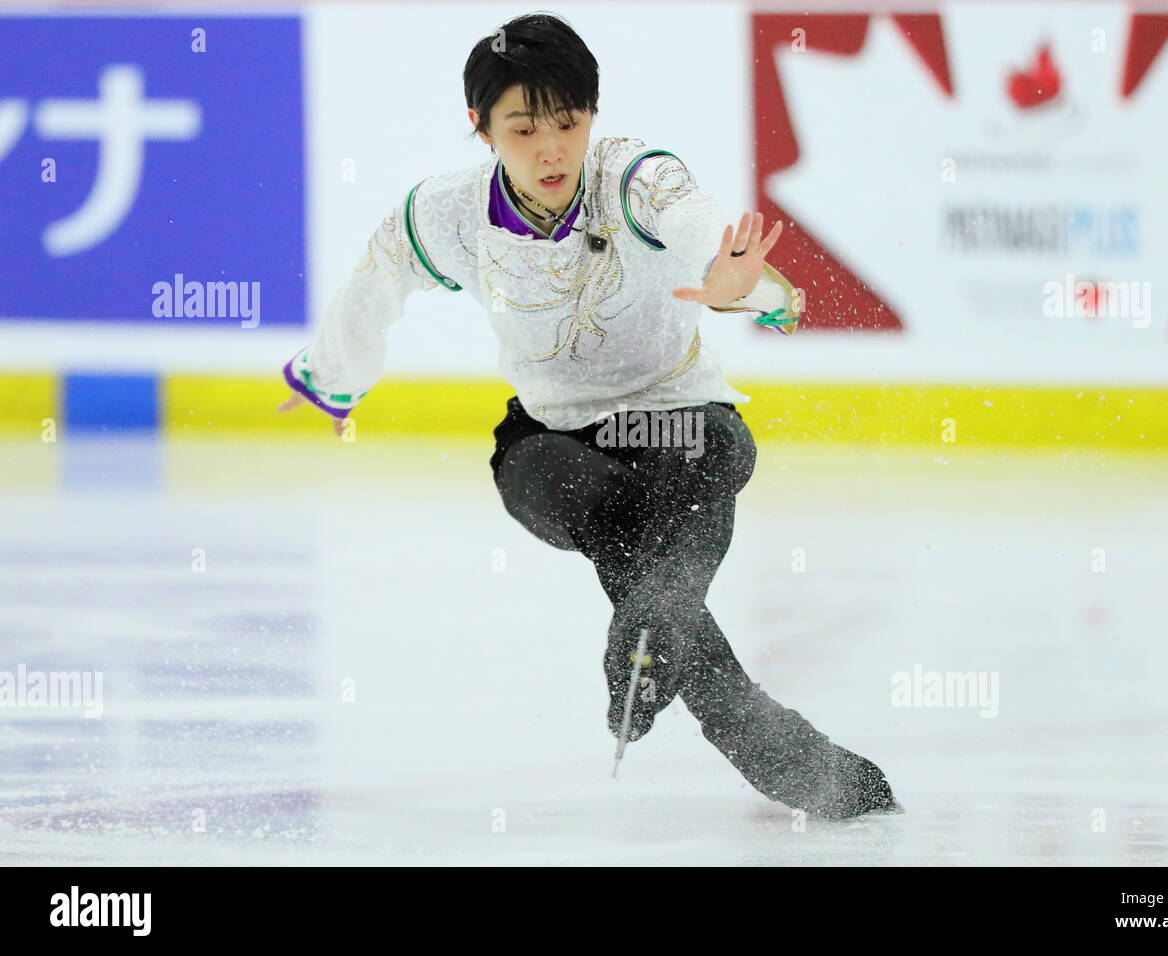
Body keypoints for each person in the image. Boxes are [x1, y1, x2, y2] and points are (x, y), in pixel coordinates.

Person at [277, 12, 896, 819]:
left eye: (568, 123)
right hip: (556, 442)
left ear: (592, 116)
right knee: (579, 501)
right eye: (523, 127)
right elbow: (375, 283)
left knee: (690, 493)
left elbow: (715, 242)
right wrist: (334, 376)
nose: (550, 150)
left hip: (682, 426)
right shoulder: (447, 213)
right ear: (481, 126)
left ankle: (661, 632)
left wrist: (739, 285)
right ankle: (661, 627)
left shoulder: (638, 178)